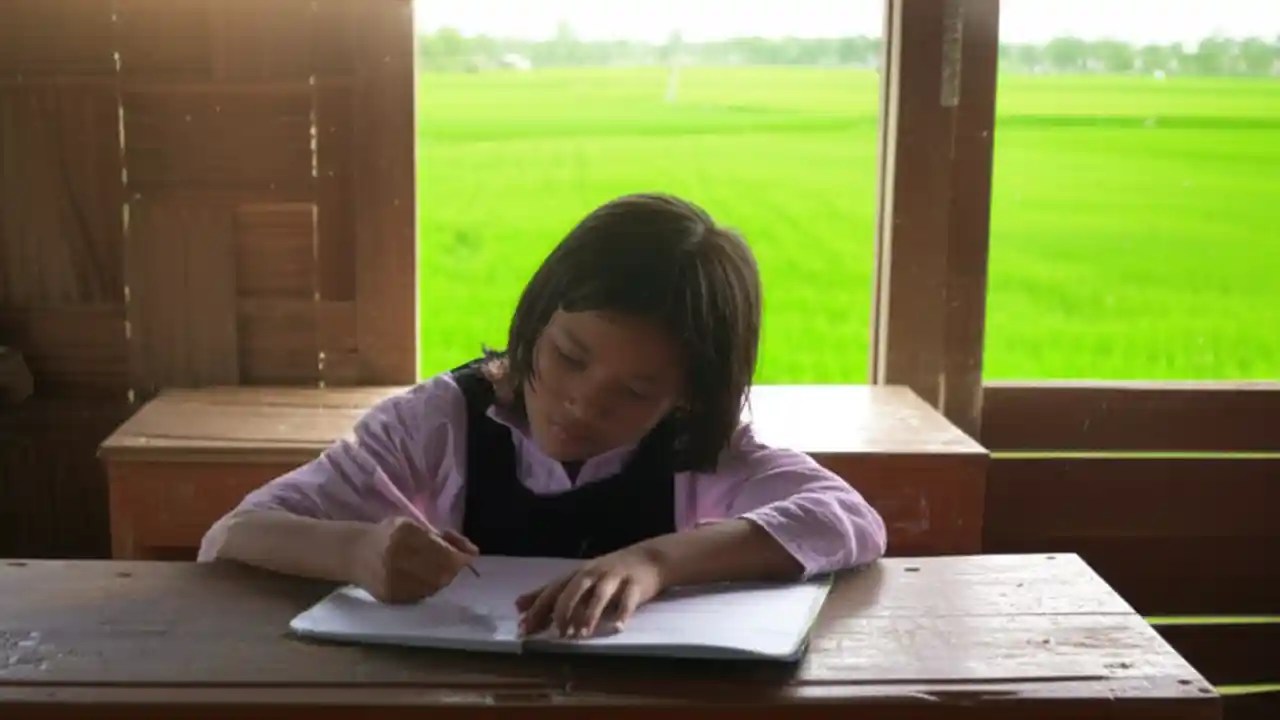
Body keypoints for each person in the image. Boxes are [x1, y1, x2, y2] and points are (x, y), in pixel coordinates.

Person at [199, 193, 887, 639]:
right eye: (569, 356)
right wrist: (354, 549)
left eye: (635, 392)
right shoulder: (442, 422)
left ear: (687, 397)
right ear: (535, 320)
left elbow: (848, 518)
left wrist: (656, 562)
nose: (583, 402)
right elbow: (233, 534)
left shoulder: (692, 445)